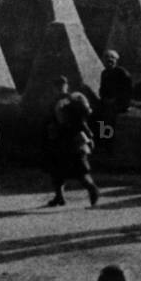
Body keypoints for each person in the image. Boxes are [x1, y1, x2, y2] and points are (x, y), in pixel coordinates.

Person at [43, 76, 102, 207]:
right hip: (61, 139)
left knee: (80, 170)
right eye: (58, 86)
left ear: (66, 85)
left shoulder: (73, 99)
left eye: (61, 85)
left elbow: (81, 120)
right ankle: (59, 197)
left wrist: (88, 135)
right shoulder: (60, 100)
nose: (60, 88)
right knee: (57, 171)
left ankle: (93, 190)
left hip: (72, 139)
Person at [96, 49, 133, 151]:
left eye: (112, 58)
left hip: (120, 102)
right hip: (108, 101)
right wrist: (104, 98)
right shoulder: (104, 73)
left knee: (108, 115)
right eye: (107, 57)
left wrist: (115, 100)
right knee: (98, 112)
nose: (109, 60)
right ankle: (101, 139)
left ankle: (107, 142)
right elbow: (102, 89)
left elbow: (127, 91)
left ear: (116, 60)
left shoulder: (122, 73)